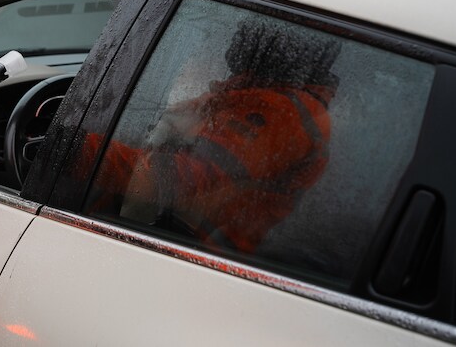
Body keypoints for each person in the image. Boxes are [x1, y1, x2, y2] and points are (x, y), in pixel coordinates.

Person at [88, 19, 341, 254]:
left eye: (256, 26)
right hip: (179, 243)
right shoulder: (249, 93)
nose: (240, 33)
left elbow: (167, 177)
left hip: (191, 253)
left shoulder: (279, 112)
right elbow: (168, 121)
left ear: (281, 45)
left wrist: (77, 149)